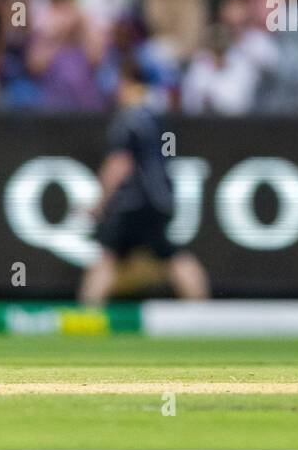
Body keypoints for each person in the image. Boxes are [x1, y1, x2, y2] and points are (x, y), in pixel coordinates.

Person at [79, 57, 209, 305]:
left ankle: (87, 315)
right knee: (172, 256)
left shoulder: (129, 117)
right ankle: (201, 311)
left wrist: (99, 203)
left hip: (134, 203)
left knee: (107, 257)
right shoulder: (158, 117)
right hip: (160, 200)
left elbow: (119, 163)